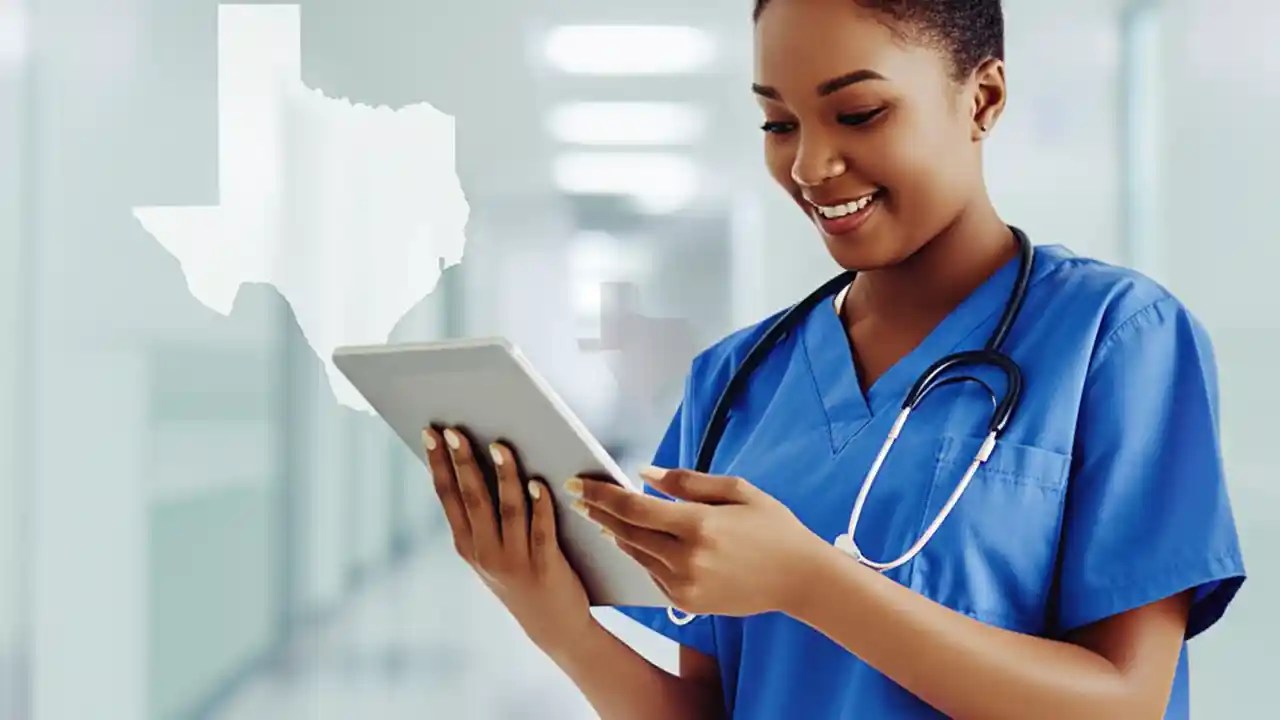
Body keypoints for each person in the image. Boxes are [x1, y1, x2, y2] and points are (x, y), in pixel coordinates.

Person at [420, 0, 1246, 717]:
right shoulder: (733, 380)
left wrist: (812, 584)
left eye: (858, 114)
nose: (810, 166)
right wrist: (550, 615)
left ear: (983, 98)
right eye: (779, 124)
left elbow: (1124, 702)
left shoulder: (1117, 338)